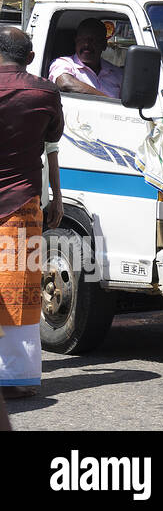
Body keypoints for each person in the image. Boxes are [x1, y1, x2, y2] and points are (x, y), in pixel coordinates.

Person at [0, 27, 63, 402]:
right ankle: (17, 377)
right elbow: (51, 143)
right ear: (29, 56)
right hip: (22, 203)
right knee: (20, 291)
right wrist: (56, 195)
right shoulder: (44, 92)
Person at [48, 18, 122, 99]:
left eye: (92, 40)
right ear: (75, 41)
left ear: (104, 44)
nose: (86, 44)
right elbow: (65, 83)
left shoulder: (117, 73)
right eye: (82, 39)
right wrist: (109, 101)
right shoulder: (63, 63)